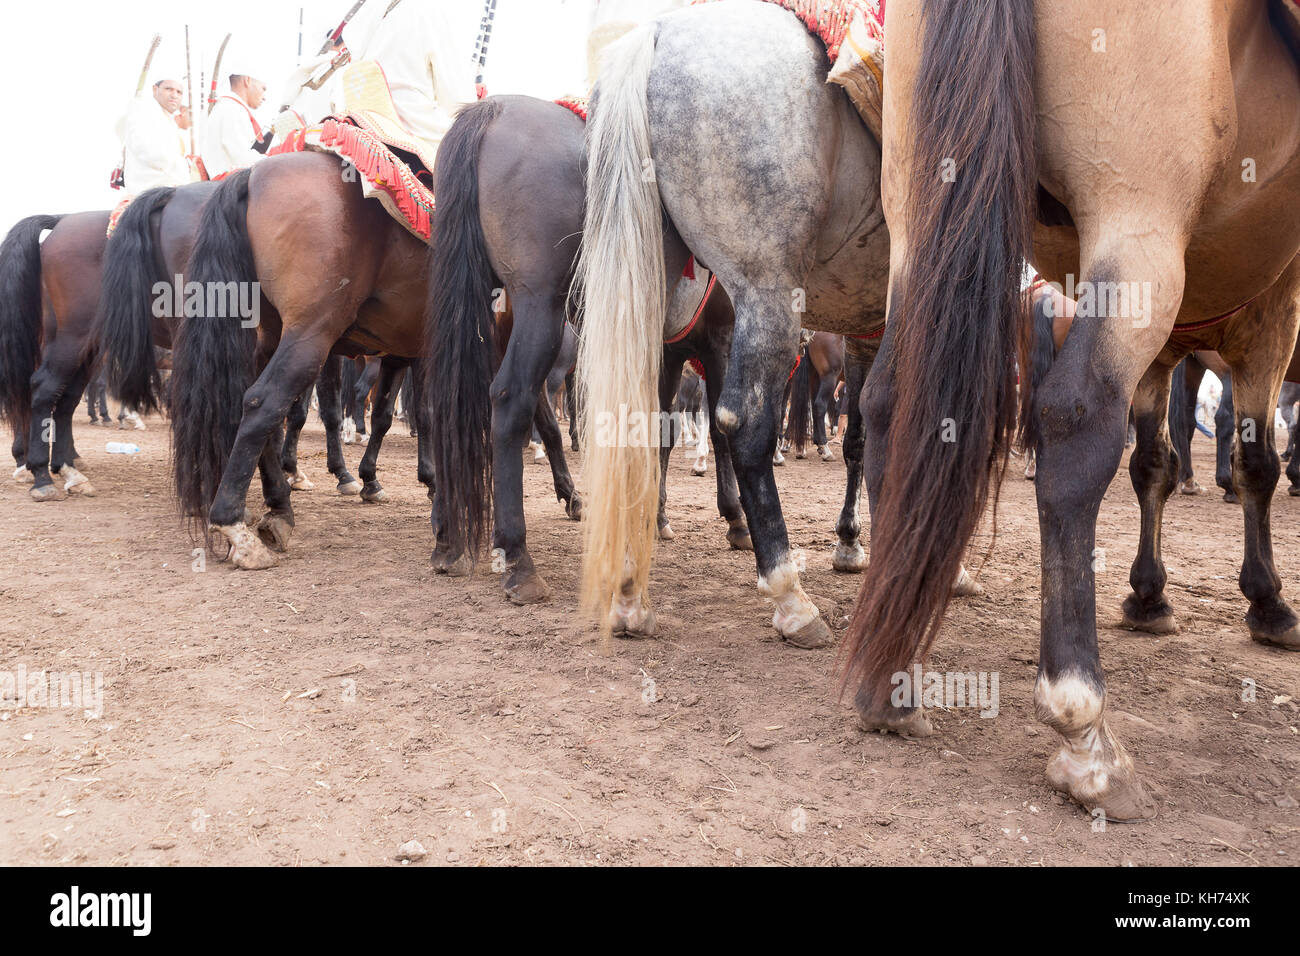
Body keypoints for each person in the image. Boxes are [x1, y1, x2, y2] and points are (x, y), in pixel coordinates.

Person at [340, 0, 478, 157]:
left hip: (360, 118)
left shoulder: (370, 11)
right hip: (413, 126)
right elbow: (457, 101)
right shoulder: (432, 11)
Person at [119, 77, 194, 195]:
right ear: (155, 89)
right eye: (169, 89)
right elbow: (149, 152)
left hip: (172, 186)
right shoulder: (143, 109)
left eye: (179, 92)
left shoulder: (168, 119)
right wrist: (183, 168)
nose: (174, 95)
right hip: (151, 189)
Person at [201, 70, 271, 177]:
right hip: (228, 187)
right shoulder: (232, 109)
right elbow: (242, 159)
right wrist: (275, 160)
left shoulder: (229, 107)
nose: (264, 97)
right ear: (247, 81)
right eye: (263, 89)